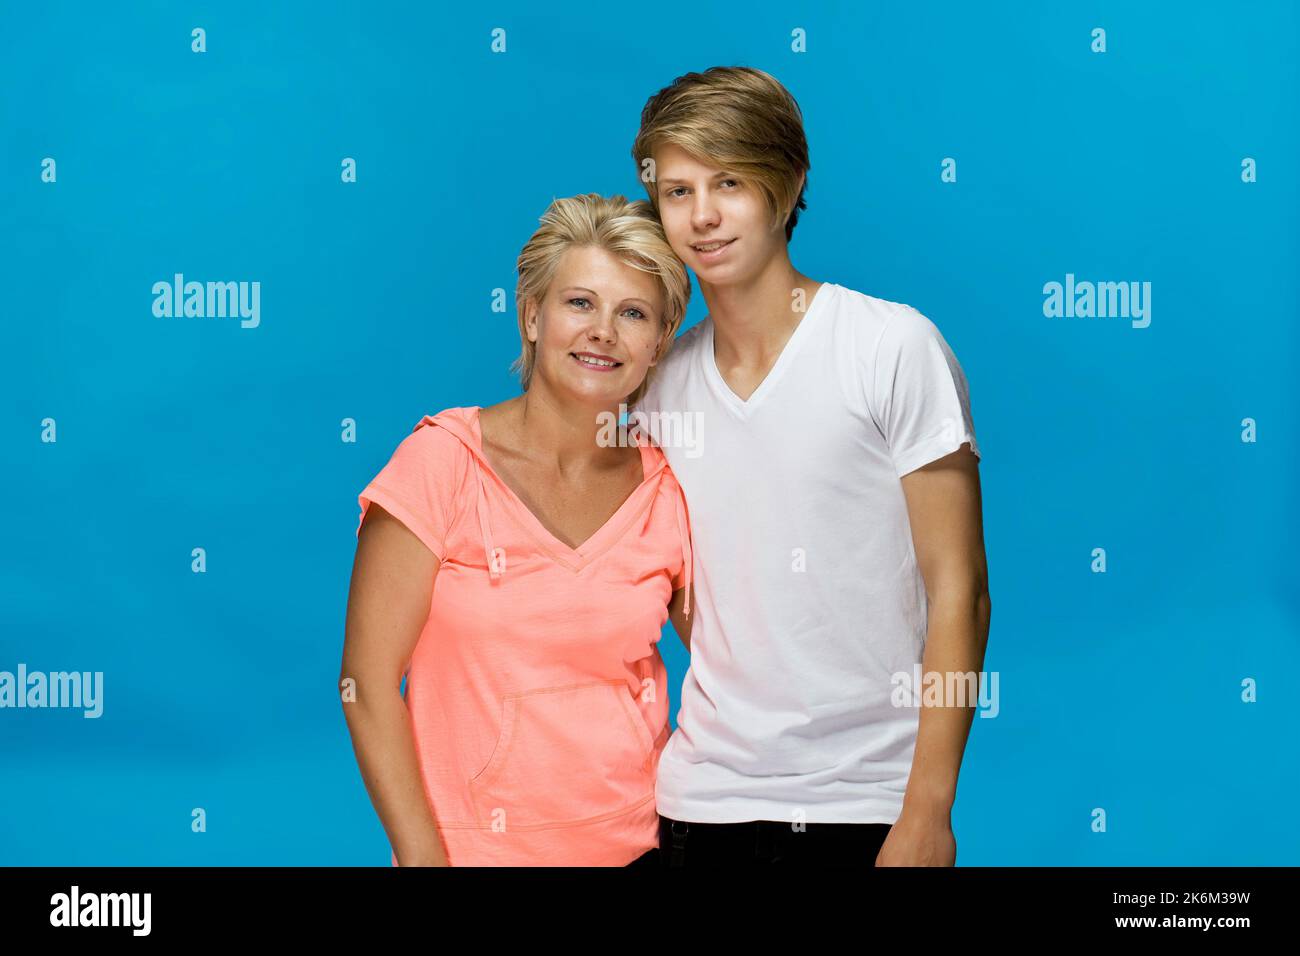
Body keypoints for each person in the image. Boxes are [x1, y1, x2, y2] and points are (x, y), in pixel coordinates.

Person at [630, 66, 993, 867]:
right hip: (702, 801)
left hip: (868, 802)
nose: (703, 216)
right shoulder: (658, 387)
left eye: (728, 182)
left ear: (788, 184)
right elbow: (682, 586)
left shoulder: (891, 347)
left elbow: (961, 589)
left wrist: (928, 809)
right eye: (678, 190)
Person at [341, 193, 693, 866]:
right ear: (532, 316)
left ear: (659, 343)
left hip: (644, 848)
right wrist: (422, 858)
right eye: (580, 303)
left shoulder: (667, 488)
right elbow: (365, 681)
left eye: (633, 314)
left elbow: (733, 664)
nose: (603, 332)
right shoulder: (441, 463)